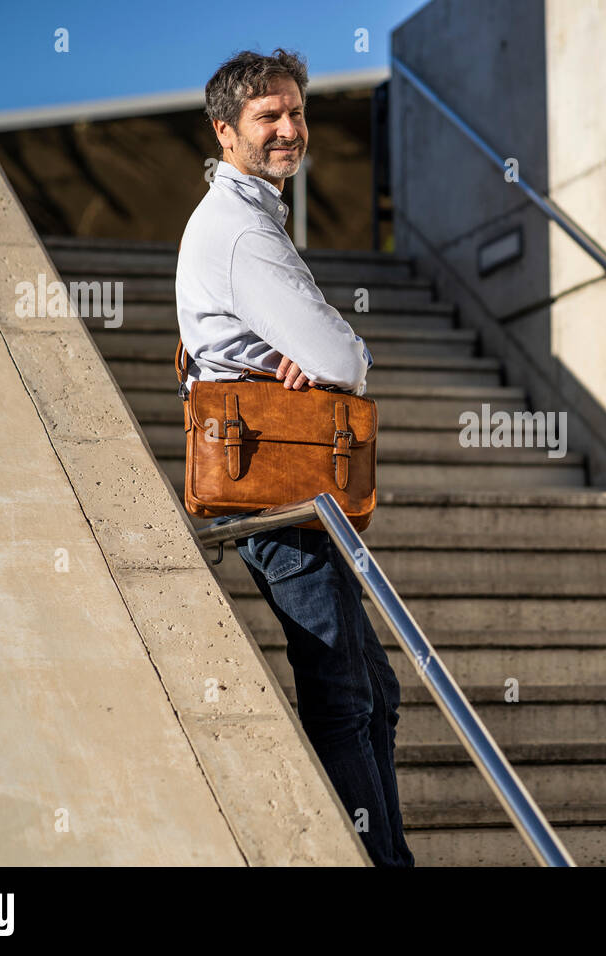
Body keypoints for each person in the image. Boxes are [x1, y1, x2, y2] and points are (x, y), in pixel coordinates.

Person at [175, 48, 414, 868]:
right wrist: (339, 355)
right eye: (268, 116)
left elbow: (314, 351)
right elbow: (342, 360)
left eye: (297, 112)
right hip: (280, 495)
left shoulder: (249, 217)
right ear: (225, 131)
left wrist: (315, 352)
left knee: (373, 695)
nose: (290, 129)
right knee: (346, 698)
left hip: (290, 489)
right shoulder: (240, 228)